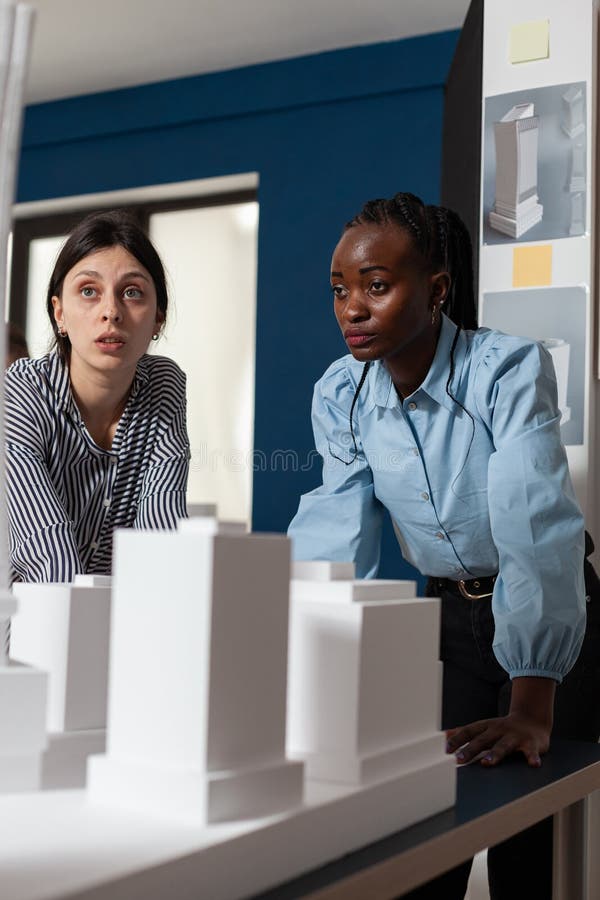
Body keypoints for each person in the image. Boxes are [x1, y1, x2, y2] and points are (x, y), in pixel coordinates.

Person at [288, 192, 600, 899]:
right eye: (340, 290)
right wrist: (310, 678)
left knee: (529, 847)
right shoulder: (341, 394)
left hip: (553, 610)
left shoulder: (505, 371)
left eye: (377, 285)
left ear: (435, 290)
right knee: (430, 830)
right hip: (451, 620)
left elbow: (533, 526)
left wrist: (531, 706)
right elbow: (338, 535)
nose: (352, 309)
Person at [6, 210, 190, 583]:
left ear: (158, 318)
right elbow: (48, 557)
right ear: (59, 313)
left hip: (111, 628)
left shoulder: (163, 386)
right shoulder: (20, 392)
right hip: (24, 625)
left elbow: (161, 540)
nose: (111, 312)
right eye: (88, 291)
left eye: (132, 292)